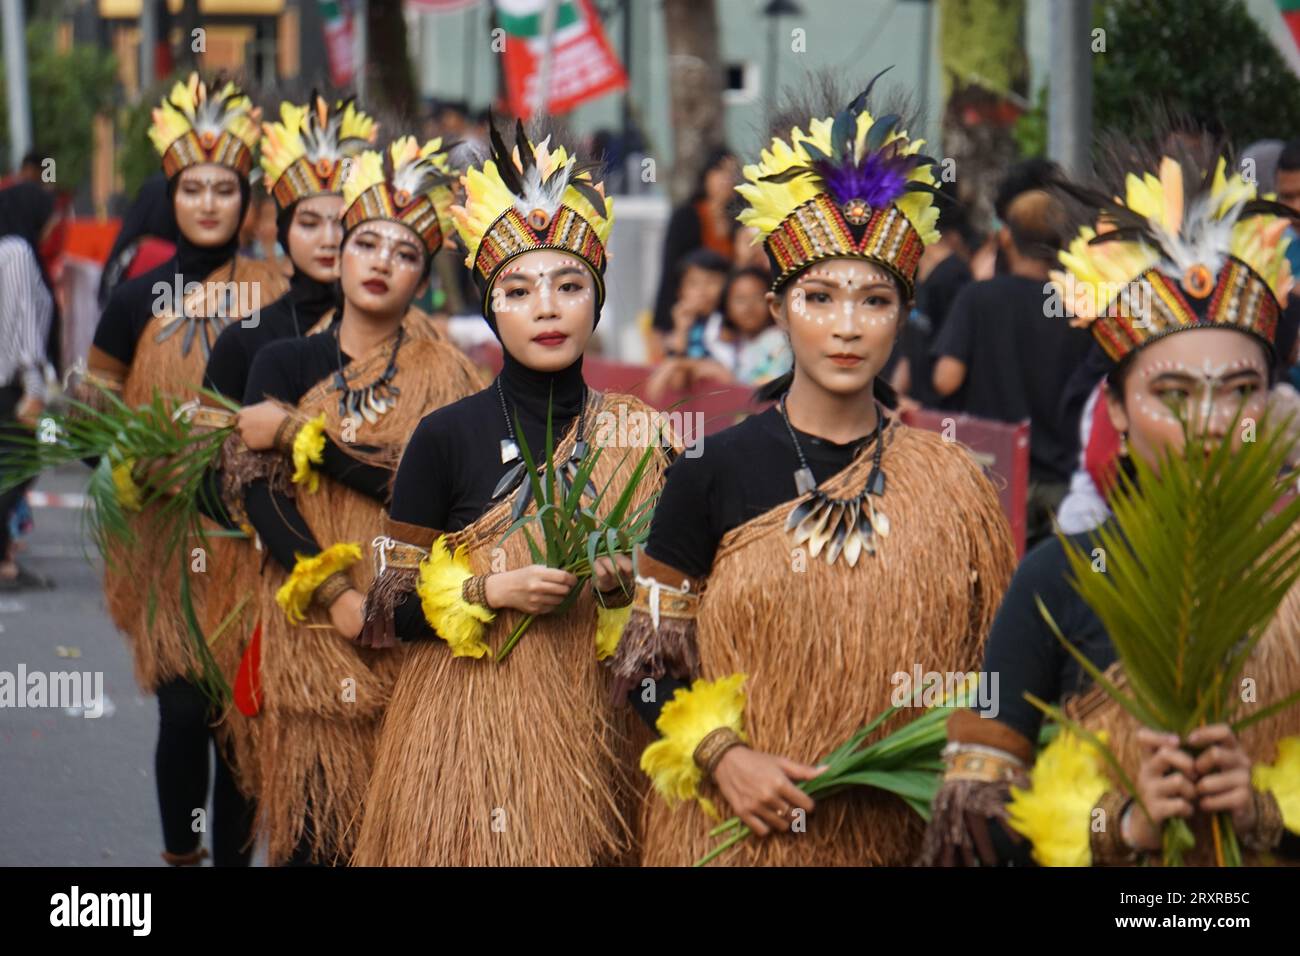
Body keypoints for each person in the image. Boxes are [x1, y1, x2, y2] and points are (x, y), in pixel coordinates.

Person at [612, 79, 1016, 866]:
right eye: (819, 296)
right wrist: (724, 756)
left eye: (873, 301)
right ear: (776, 305)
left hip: (894, 840)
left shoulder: (957, 486)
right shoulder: (711, 469)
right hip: (731, 837)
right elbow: (643, 670)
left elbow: (987, 683)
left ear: (903, 316)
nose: (845, 326)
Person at [921, 145, 1300, 867]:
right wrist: (1124, 825)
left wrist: (1259, 813)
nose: (1211, 423)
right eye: (1175, 395)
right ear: (1117, 411)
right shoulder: (1054, 581)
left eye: (1241, 391)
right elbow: (969, 819)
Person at [352, 122, 675, 866]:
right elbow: (390, 610)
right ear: (490, 307)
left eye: (569, 286)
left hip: (593, 738)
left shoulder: (645, 440)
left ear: (597, 301)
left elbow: (679, 624)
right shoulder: (446, 436)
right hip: (465, 741)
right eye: (520, 290)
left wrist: (626, 591)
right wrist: (490, 590)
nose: (548, 308)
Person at [229, 136, 483, 866]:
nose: (380, 262)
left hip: (411, 622)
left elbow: (437, 497)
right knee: (314, 841)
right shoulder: (284, 360)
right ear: (339, 253)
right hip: (310, 622)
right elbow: (258, 486)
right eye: (366, 241)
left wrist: (308, 438)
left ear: (423, 277)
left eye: (404, 253)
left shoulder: (451, 376)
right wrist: (335, 594)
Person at [73, 73, 288, 867]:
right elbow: (90, 420)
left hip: (256, 544)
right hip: (169, 545)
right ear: (173, 192)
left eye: (222, 187)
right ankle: (181, 856)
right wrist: (124, 462)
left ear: (246, 197)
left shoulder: (280, 294)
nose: (206, 202)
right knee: (179, 713)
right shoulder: (133, 300)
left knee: (243, 723)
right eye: (192, 187)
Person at [190, 94, 379, 806]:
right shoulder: (252, 341)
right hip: (263, 579)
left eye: (343, 221)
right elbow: (212, 470)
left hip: (383, 583)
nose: (329, 237)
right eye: (310, 222)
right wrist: (272, 529)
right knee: (253, 763)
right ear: (279, 226)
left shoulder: (412, 345)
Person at [932, 188, 1093, 547]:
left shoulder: (979, 298)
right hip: (1065, 485)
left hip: (996, 477)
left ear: (1006, 237)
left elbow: (946, 379)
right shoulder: (1083, 305)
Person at [0, 183, 61, 589]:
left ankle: (5, 554)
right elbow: (24, 332)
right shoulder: (17, 252)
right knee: (23, 464)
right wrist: (36, 389)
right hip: (13, 384)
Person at [647, 264, 790, 398]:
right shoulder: (735, 340)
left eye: (757, 298)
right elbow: (679, 381)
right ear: (726, 305)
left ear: (773, 302)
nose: (749, 307)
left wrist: (725, 378)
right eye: (740, 300)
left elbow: (761, 397)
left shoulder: (778, 341)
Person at [889, 182, 972, 408]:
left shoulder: (954, 275)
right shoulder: (914, 272)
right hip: (914, 411)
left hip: (943, 417)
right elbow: (910, 349)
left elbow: (953, 361)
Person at [651, 147, 740, 339]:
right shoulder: (686, 217)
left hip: (728, 317)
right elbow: (670, 272)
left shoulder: (741, 221)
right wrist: (663, 325)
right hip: (689, 310)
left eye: (732, 173)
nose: (726, 179)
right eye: (720, 171)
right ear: (706, 175)